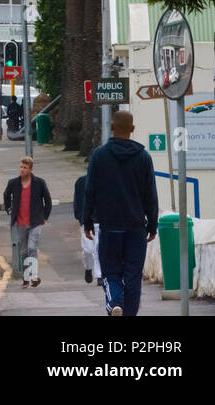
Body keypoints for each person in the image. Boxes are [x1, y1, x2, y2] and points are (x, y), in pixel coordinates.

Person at [84, 110, 159, 317]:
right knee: (133, 277)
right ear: (132, 130)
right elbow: (150, 196)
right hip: (136, 228)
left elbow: (90, 190)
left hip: (110, 227)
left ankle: (115, 302)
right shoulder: (144, 158)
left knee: (111, 273)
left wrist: (87, 220)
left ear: (112, 127)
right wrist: (152, 225)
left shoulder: (99, 156)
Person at [3, 156, 52, 288]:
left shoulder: (39, 183)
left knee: (32, 248)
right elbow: (6, 195)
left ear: (30, 169)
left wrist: (45, 217)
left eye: (25, 167)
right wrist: (8, 209)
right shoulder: (13, 183)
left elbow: (48, 200)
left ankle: (34, 276)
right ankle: (26, 279)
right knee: (24, 251)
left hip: (35, 221)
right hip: (20, 223)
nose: (22, 170)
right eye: (21, 167)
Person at [73, 173, 103, 286]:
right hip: (86, 220)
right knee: (88, 249)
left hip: (100, 219)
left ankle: (99, 274)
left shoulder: (104, 180)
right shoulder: (81, 181)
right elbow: (77, 199)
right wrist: (79, 216)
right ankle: (88, 267)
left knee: (97, 248)